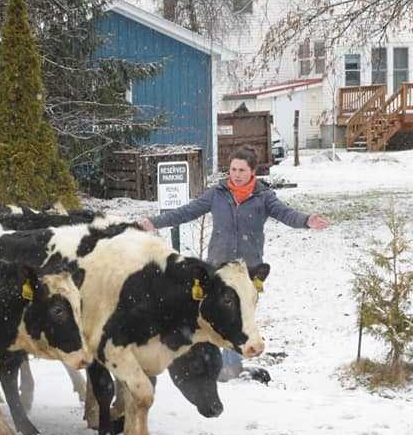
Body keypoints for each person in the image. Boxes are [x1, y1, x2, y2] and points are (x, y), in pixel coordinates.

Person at [140, 147, 329, 382]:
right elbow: (187, 212)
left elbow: (285, 213)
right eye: (233, 169)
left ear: (253, 172)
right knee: (211, 316)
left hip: (247, 271)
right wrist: (154, 222)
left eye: (242, 170)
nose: (236, 174)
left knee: (239, 319)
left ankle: (230, 368)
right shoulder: (217, 193)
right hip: (219, 269)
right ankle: (208, 363)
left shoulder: (263, 197)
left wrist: (307, 221)